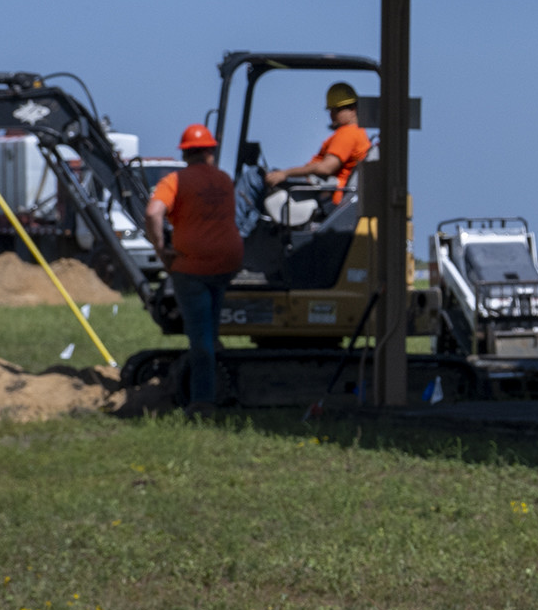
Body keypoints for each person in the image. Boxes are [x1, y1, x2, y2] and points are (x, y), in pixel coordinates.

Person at [147, 123, 241, 410]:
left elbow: (153, 212)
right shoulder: (224, 179)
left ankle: (203, 400)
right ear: (211, 152)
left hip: (193, 266)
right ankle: (221, 376)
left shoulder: (174, 181)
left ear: (186, 155)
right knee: (210, 329)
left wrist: (162, 250)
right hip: (227, 262)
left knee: (199, 336)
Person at [263, 82, 373, 207]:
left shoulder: (348, 133)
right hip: (321, 189)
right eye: (331, 110)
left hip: (324, 194)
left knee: (254, 178)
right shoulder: (357, 133)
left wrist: (285, 174)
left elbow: (325, 168)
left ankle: (241, 225)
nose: (332, 115)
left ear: (353, 109)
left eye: (337, 110)